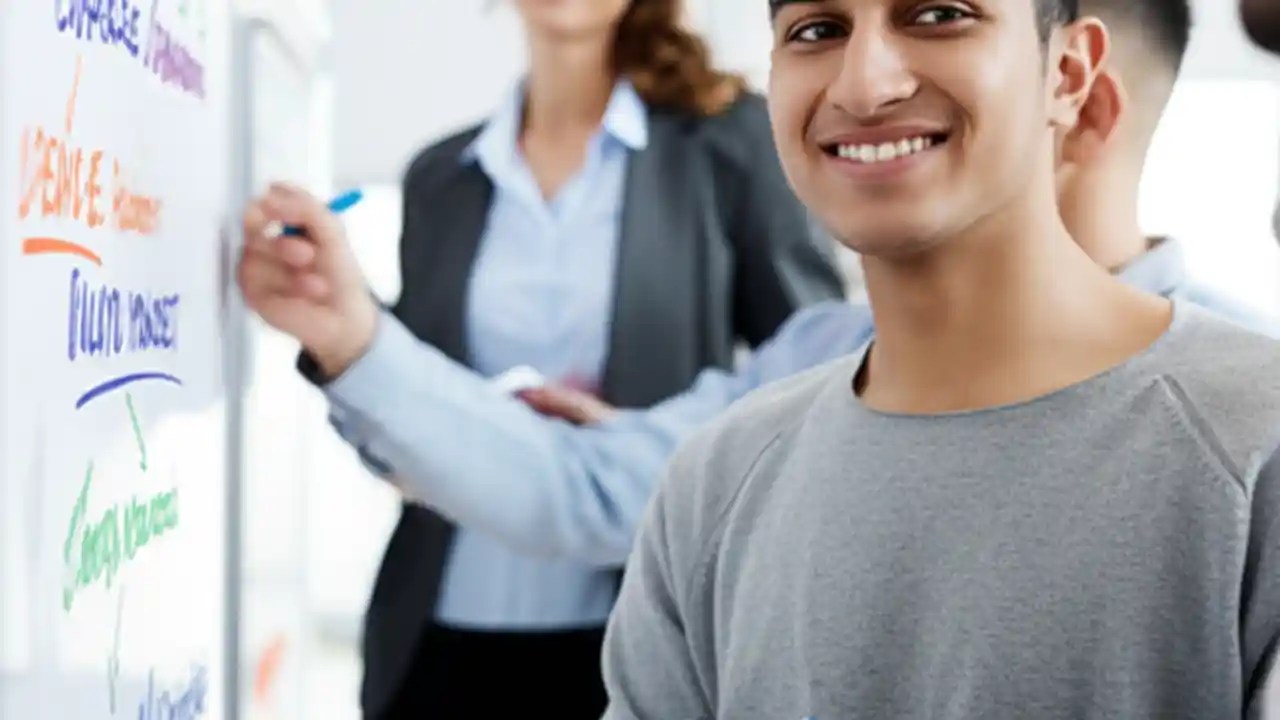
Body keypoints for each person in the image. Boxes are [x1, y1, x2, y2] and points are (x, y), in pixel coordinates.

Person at [600, 0, 1280, 717]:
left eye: (939, 15)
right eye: (817, 31)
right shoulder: (713, 484)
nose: (864, 87)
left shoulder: (1254, 446)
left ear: (1070, 74)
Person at [238, 0, 843, 716]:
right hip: (440, 628)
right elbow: (404, 398)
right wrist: (332, 315)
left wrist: (627, 446)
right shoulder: (442, 177)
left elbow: (812, 395)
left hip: (630, 629)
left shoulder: (732, 141)